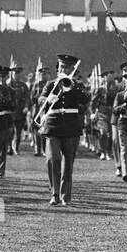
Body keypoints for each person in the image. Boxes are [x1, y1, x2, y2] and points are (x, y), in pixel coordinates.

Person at [40, 53, 87, 206]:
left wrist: (71, 87)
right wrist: (48, 100)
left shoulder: (77, 85)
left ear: (72, 69)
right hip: (52, 125)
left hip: (71, 127)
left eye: (66, 67)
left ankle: (65, 195)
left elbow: (85, 99)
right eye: (61, 66)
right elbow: (40, 98)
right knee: (53, 159)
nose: (63, 69)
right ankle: (54, 193)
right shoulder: (51, 84)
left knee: (68, 164)